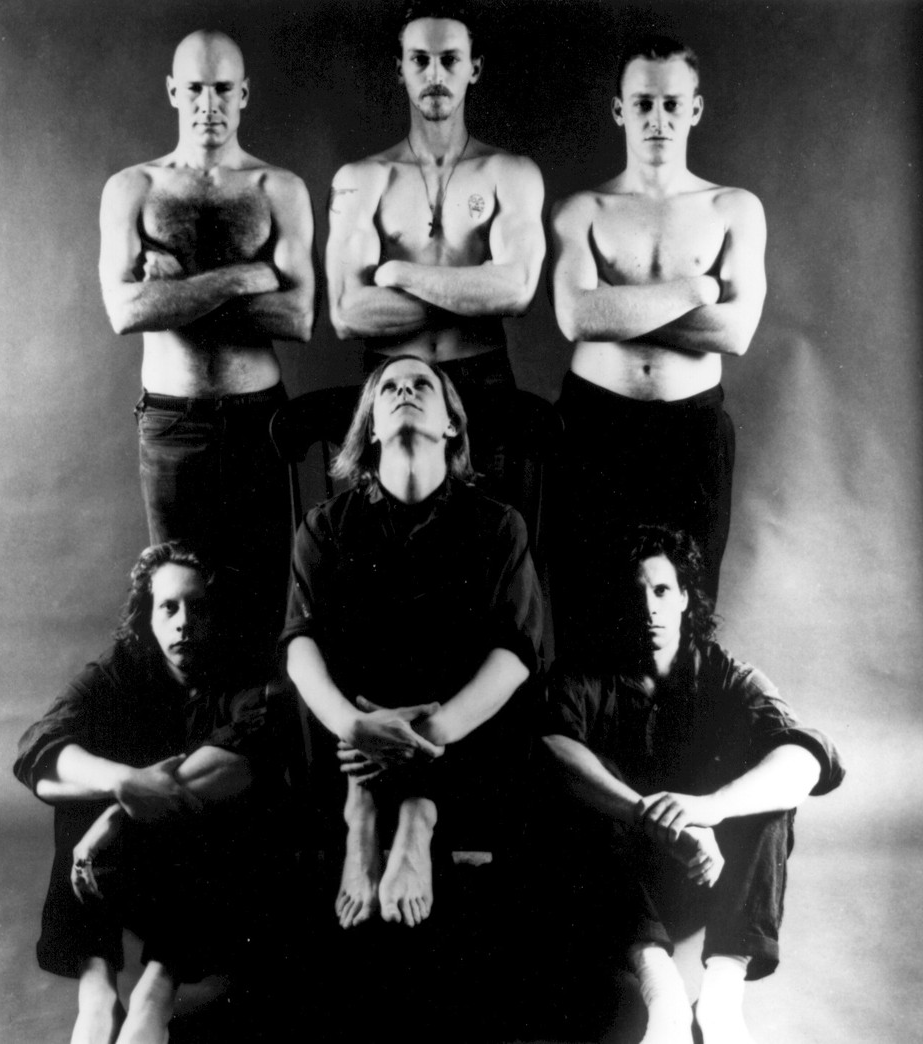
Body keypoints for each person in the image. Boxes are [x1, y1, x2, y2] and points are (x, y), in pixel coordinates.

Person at [541, 526, 844, 1044]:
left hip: (705, 876)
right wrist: (654, 817)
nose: (649, 608)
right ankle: (664, 999)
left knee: (770, 795)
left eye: (662, 590)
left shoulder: (727, 675)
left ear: (684, 597)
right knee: (589, 782)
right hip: (616, 889)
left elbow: (808, 757)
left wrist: (710, 808)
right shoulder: (584, 676)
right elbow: (552, 747)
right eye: (635, 593)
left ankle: (721, 1002)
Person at [283, 355, 542, 931]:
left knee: (475, 647)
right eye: (389, 388)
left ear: (451, 424)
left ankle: (418, 817)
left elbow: (517, 650)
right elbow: (298, 642)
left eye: (422, 384)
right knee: (322, 645)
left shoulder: (499, 525)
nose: (404, 390)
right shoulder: (325, 526)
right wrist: (353, 725)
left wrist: (434, 731)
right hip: (350, 739)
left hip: (455, 737)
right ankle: (362, 816)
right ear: (372, 428)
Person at [14, 543, 286, 1044]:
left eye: (198, 608)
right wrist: (120, 780)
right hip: (128, 867)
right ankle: (97, 991)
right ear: (148, 615)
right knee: (79, 790)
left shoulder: (244, 674)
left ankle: (155, 993)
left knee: (219, 806)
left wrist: (119, 811)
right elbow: (39, 749)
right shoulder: (124, 666)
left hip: (210, 878)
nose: (183, 623)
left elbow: (248, 757)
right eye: (169, 607)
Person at [98, 29, 315, 652]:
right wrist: (243, 277)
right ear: (173, 91)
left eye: (223, 88)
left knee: (266, 599)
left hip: (259, 419)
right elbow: (125, 311)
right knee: (180, 602)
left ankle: (257, 718)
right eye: (194, 88)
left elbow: (298, 316)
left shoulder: (277, 189)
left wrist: (174, 294)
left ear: (244, 93)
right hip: (173, 423)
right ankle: (194, 717)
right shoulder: (134, 188)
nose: (208, 104)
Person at [550, 34, 767, 646]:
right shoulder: (582, 209)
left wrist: (617, 308)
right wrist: (693, 290)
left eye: (672, 104)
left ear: (694, 109)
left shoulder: (733, 208)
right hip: (594, 425)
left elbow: (736, 330)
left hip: (690, 430)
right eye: (643, 104)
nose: (658, 119)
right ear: (619, 109)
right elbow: (575, 318)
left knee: (687, 615)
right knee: (585, 604)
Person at [325, 2, 545, 489]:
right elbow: (347, 313)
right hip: (391, 382)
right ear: (400, 69)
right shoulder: (362, 179)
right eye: (420, 60)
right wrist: (475, 294)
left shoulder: (510, 173)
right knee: (389, 530)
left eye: (450, 59)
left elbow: (516, 291)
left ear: (474, 68)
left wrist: (400, 275)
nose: (435, 74)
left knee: (489, 529)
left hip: (483, 382)